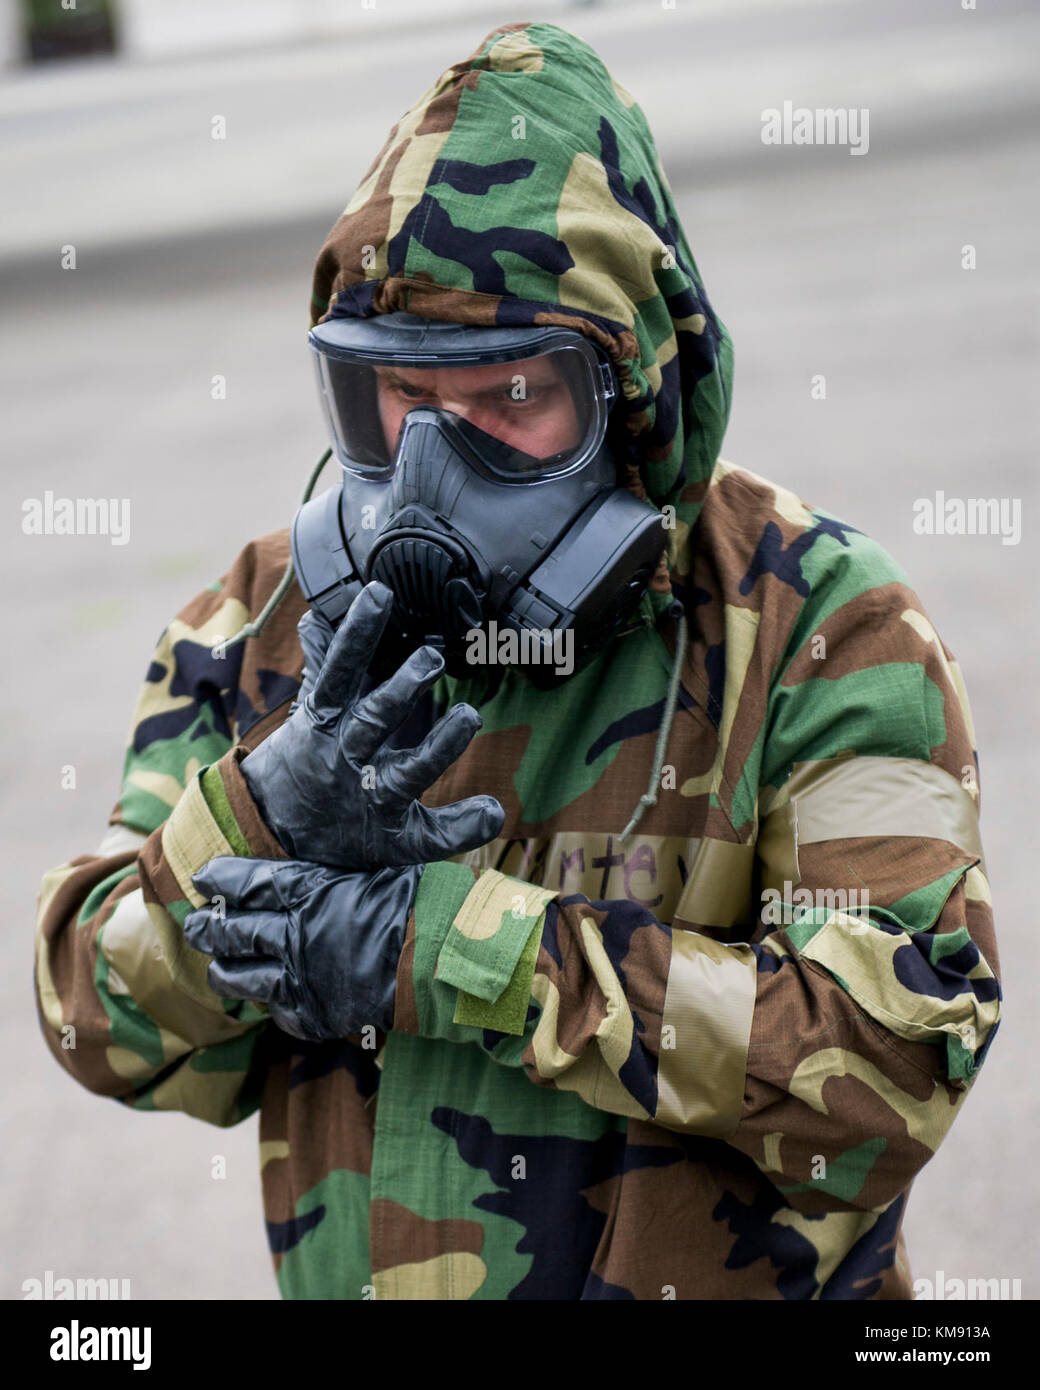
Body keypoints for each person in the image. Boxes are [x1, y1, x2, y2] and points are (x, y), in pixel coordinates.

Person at [34, 21, 1000, 1300]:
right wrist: (255, 819)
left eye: (513, 401)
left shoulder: (822, 625)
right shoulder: (260, 624)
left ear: (635, 399)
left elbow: (892, 1064)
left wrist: (449, 952)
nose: (437, 471)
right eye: (402, 400)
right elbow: (99, 1027)